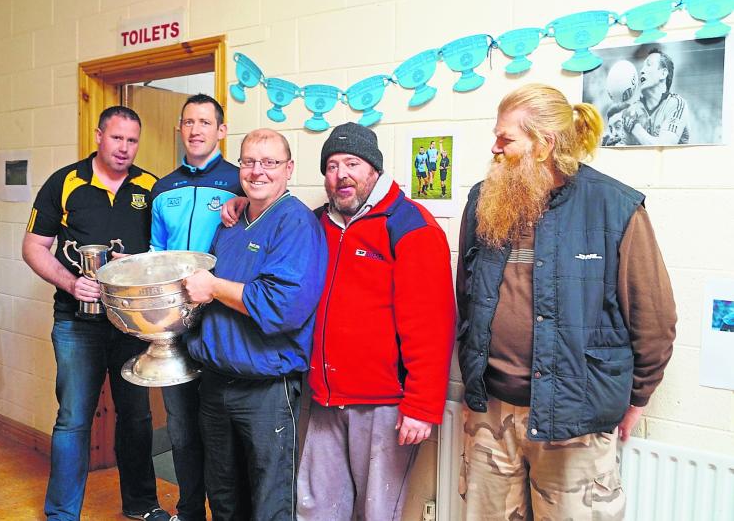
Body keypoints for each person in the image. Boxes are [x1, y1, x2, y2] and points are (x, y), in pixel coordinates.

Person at [456, 84, 677, 519]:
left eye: (506, 139)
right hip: (492, 413)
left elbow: (654, 316)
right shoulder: (483, 200)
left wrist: (637, 398)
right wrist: (472, 375)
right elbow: (467, 293)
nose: (495, 148)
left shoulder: (615, 207)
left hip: (575, 417)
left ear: (544, 144)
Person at [296, 122, 456, 520]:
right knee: (316, 509)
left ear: (374, 170)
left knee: (378, 512)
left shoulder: (411, 225)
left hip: (384, 403)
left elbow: (433, 323)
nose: (341, 175)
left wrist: (421, 406)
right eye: (331, 166)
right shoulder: (316, 224)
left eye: (352, 163)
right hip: (325, 398)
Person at [22, 106, 170, 521]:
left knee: (137, 418)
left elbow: (162, 254)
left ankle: (141, 507)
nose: (124, 148)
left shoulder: (149, 187)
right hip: (76, 324)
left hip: (131, 326)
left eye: (132, 140)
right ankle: (62, 514)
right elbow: (33, 247)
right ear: (99, 136)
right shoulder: (65, 183)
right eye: (116, 137)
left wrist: (134, 264)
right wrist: (71, 283)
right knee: (72, 420)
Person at [182, 128, 327, 520]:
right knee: (225, 499)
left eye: (270, 163)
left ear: (289, 169)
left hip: (265, 390)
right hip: (214, 384)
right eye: (249, 161)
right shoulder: (230, 222)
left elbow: (282, 307)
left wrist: (212, 286)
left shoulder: (295, 224)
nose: (257, 171)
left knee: (270, 503)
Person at [149, 94, 243, 521]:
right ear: (180, 128)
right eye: (188, 121)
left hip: (223, 322)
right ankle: (188, 512)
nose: (196, 129)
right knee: (182, 428)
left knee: (222, 430)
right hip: (174, 325)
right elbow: (154, 255)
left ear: (221, 130)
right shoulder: (162, 187)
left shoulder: (242, 182)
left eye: (205, 122)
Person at [623, 49, 689, 145]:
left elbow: (664, 147)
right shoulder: (633, 109)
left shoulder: (677, 104)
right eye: (642, 66)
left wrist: (634, 127)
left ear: (663, 73)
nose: (641, 71)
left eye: (648, 65)